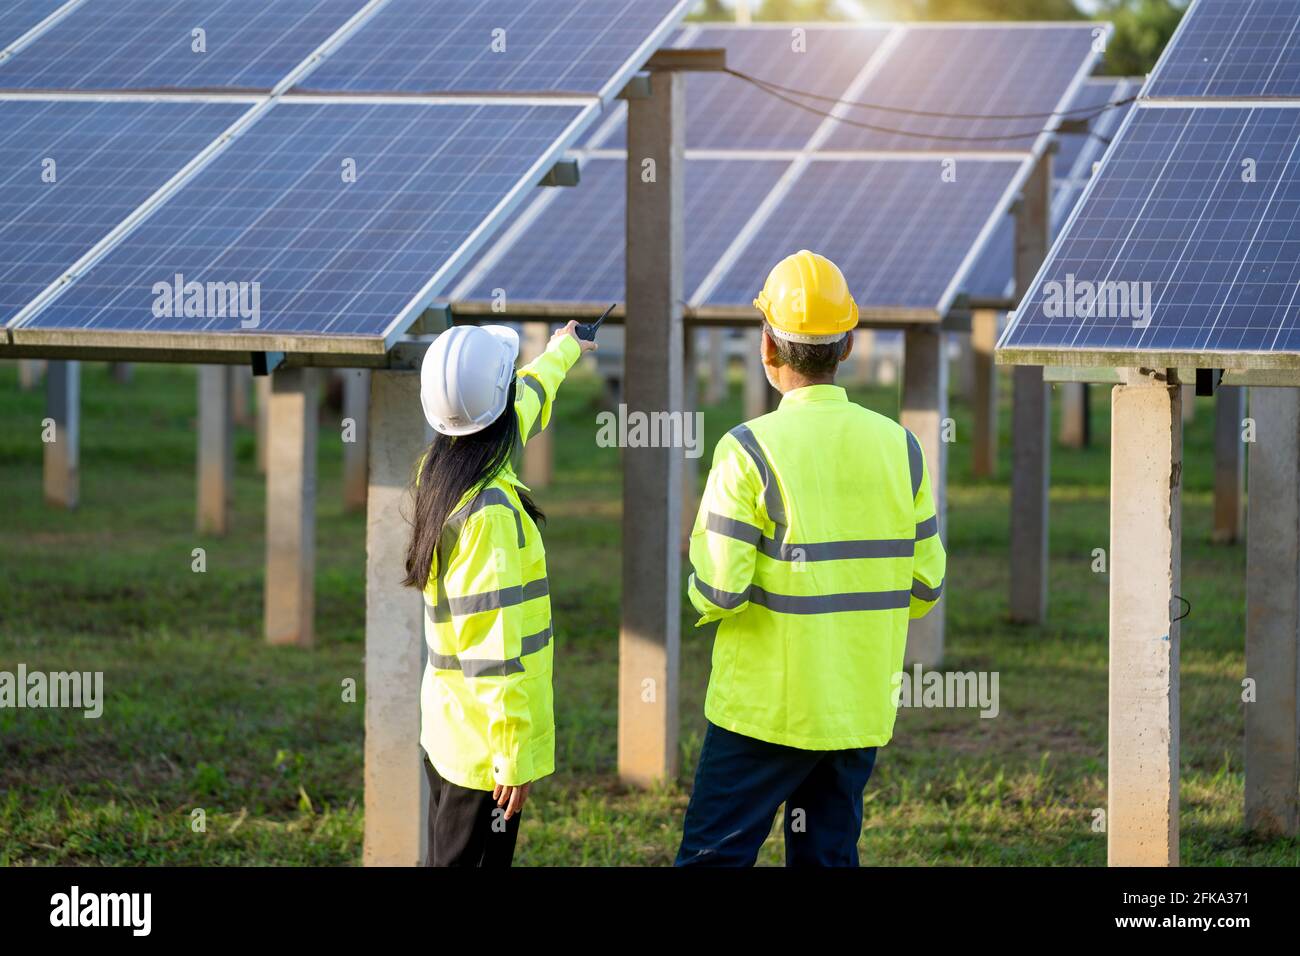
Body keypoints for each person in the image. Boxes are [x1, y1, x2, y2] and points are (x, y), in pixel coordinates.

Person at [676, 250, 946, 867]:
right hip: (855, 707)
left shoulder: (747, 449)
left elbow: (718, 590)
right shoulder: (900, 448)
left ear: (767, 346)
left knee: (713, 858)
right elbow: (926, 583)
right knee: (827, 858)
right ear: (847, 346)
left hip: (761, 710)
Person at [406, 319, 595, 866]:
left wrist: (564, 350)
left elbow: (525, 396)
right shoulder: (489, 513)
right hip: (487, 754)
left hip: (451, 732)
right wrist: (511, 753)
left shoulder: (440, 469)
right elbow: (495, 649)